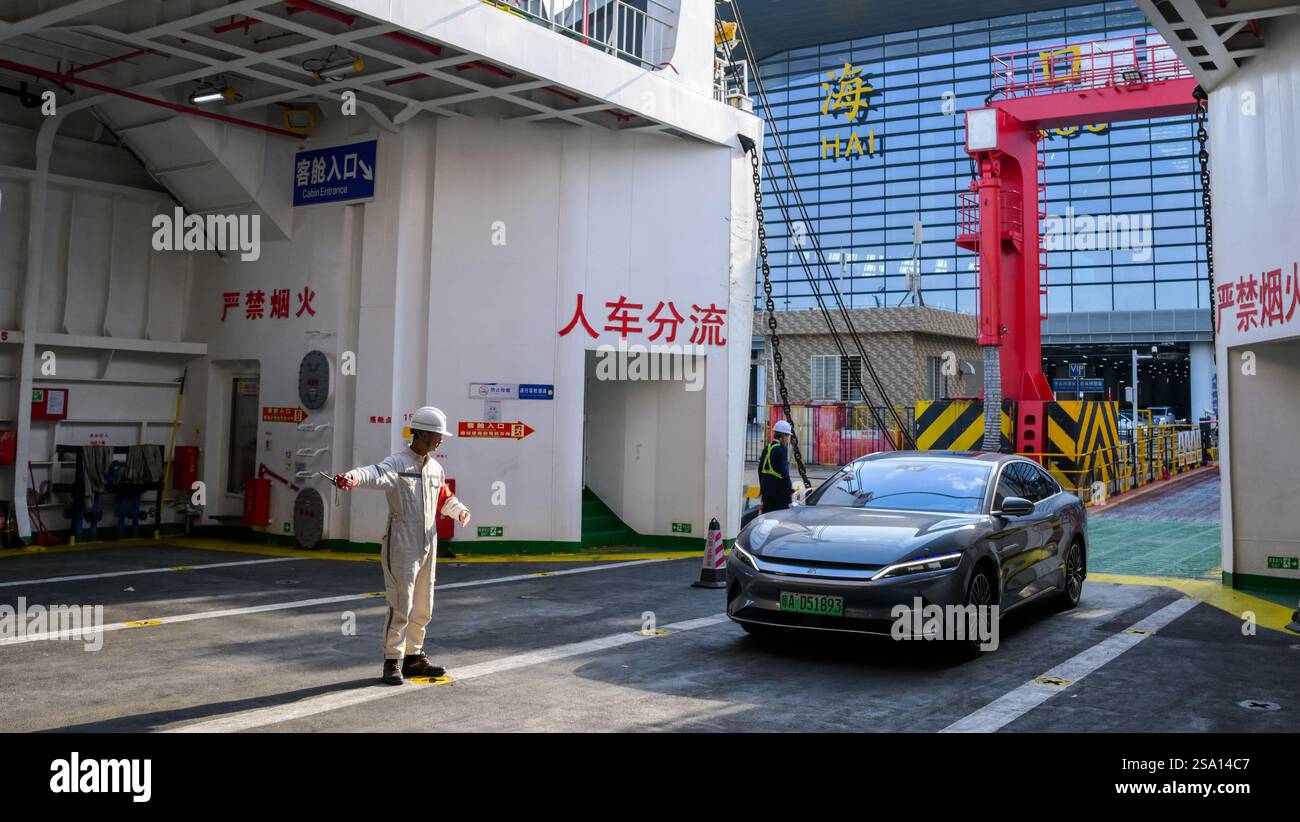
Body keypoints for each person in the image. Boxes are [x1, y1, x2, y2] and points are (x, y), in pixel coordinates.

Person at [335, 406, 470, 686]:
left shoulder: (435, 468)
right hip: (402, 541)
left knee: (424, 603)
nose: (441, 440)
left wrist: (459, 511)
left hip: (428, 540)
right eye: (437, 435)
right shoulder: (397, 463)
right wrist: (352, 477)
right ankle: (392, 661)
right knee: (401, 603)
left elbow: (444, 497)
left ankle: (414, 657)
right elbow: (373, 473)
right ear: (421, 434)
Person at [759, 419, 795, 513]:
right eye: (787, 435)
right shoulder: (782, 449)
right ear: (782, 436)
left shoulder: (767, 448)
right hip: (779, 494)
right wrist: (789, 489)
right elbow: (784, 472)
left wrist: (762, 487)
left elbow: (760, 469)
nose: (788, 439)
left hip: (766, 491)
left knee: (767, 518)